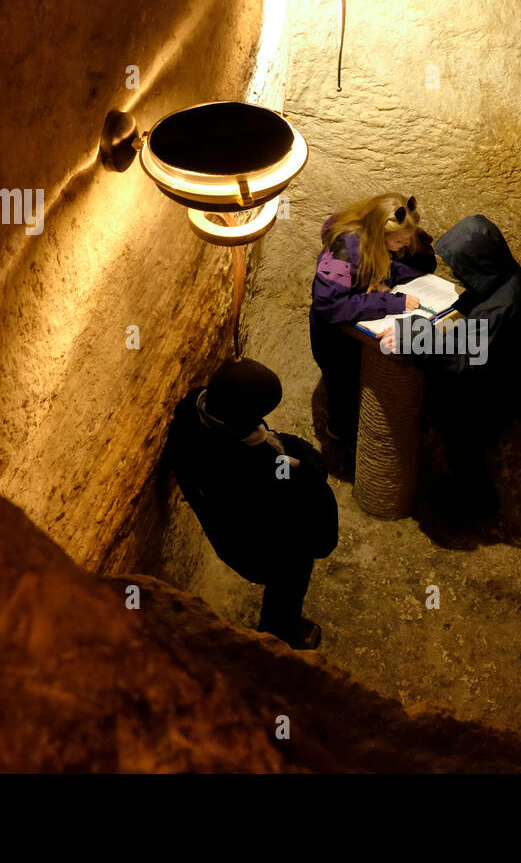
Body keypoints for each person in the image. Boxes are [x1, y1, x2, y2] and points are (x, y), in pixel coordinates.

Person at [164, 357, 338, 650]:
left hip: (225, 515)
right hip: (248, 545)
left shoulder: (196, 407)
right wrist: (310, 465)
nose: (262, 421)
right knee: (293, 566)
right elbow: (297, 485)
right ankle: (278, 632)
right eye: (258, 414)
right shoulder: (250, 465)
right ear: (244, 419)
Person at [407, 214, 521, 518]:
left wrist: (412, 332)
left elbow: (460, 360)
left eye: (461, 267)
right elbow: (480, 295)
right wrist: (458, 309)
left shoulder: (500, 308)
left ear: (479, 263)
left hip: (490, 385)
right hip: (511, 371)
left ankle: (475, 498)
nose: (455, 272)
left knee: (453, 415)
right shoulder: (508, 276)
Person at [310, 193, 436, 447]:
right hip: (332, 336)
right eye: (399, 240)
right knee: (342, 386)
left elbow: (379, 266)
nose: (404, 244)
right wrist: (393, 302)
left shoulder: (372, 240)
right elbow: (329, 305)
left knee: (355, 380)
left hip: (351, 328)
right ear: (380, 233)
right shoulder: (344, 251)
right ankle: (339, 436)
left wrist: (380, 280)